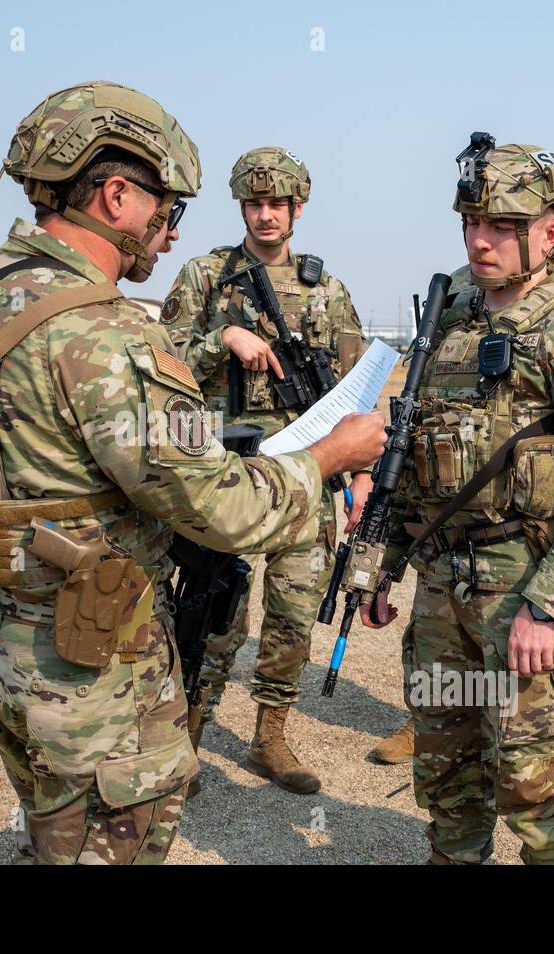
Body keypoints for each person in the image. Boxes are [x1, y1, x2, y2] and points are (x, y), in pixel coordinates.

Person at [0, 82, 386, 864]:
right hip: (88, 665)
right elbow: (217, 508)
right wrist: (328, 459)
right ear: (115, 196)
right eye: (166, 212)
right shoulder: (107, 338)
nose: (169, 236)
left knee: (53, 834)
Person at [361, 134, 554, 864]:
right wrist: (381, 561)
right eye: (472, 223)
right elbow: (411, 450)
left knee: (533, 781)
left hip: (521, 587)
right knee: (444, 764)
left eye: (503, 228)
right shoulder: (451, 319)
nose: (480, 241)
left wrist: (549, 605)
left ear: (551, 234)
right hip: (440, 586)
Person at [160, 147, 369, 795]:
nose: (266, 215)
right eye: (254, 204)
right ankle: (184, 739)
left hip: (309, 473)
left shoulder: (327, 291)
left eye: (277, 204)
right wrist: (218, 340)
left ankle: (269, 737)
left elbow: (356, 391)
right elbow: (154, 365)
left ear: (298, 208)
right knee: (214, 610)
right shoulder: (203, 277)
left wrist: (360, 478)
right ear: (241, 207)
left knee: (293, 611)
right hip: (224, 474)